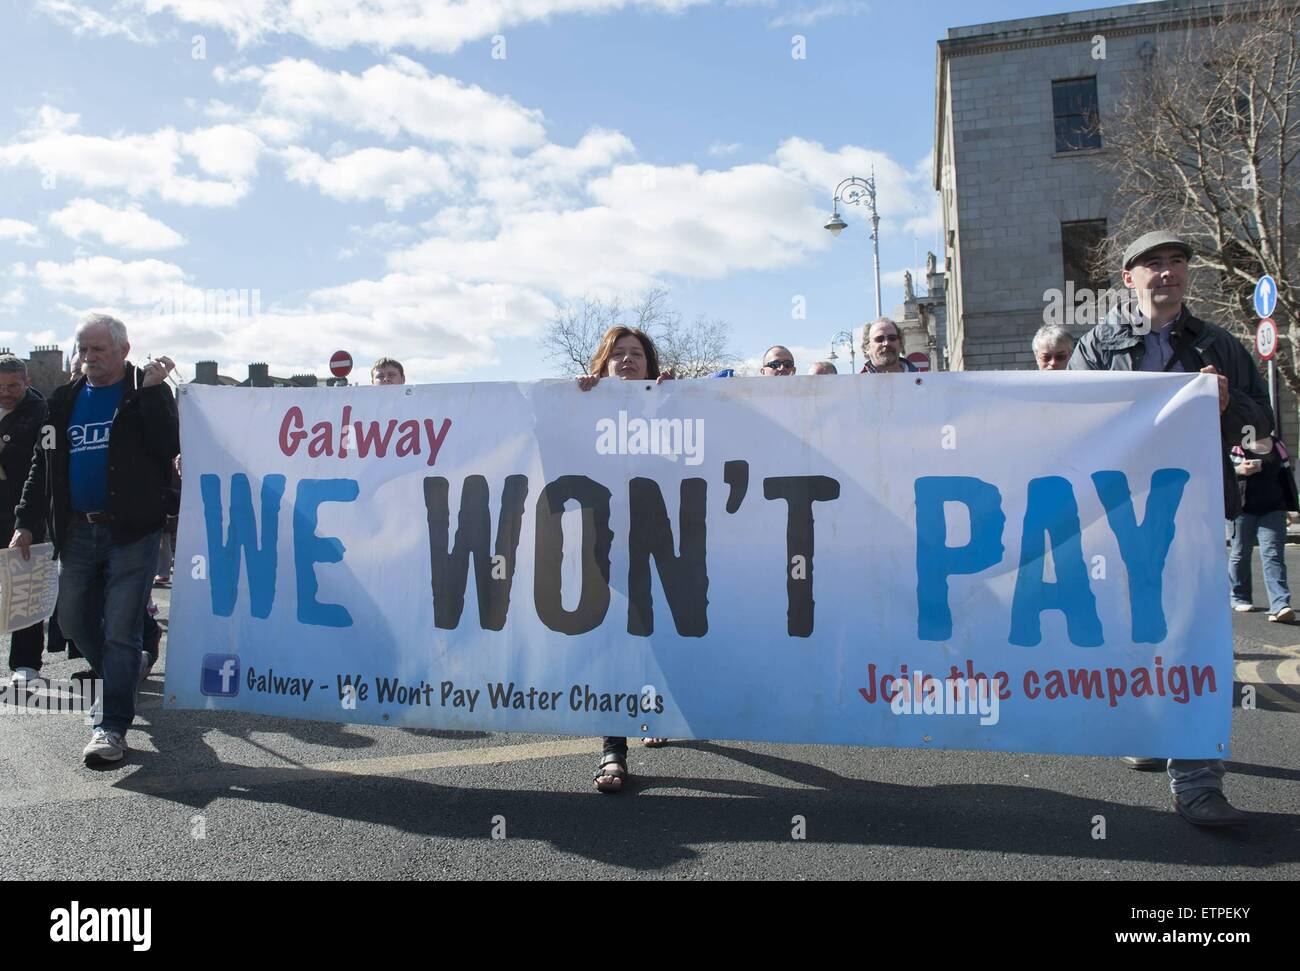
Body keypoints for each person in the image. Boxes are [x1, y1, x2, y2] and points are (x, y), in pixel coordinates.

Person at [1068, 230, 1273, 827]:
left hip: (1198, 519)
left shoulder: (1219, 344)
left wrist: (1228, 409)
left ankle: (1198, 782)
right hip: (1120, 518)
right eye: (1152, 265)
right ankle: (1144, 723)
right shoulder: (1098, 346)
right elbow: (1069, 424)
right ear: (1129, 279)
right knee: (1134, 631)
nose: (1167, 273)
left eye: (1177, 263)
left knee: (1196, 640)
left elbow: (1260, 431)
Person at [11, 313, 179, 766]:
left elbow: (170, 446)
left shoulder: (145, 391)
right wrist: (26, 520)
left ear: (124, 350)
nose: (89, 358)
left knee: (121, 627)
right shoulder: (64, 400)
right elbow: (40, 465)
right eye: (83, 349)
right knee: (69, 619)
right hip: (77, 530)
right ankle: (127, 671)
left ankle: (110, 727)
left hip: (131, 531)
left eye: (98, 349)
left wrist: (154, 392)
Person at [577, 326, 674, 792]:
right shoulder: (582, 406)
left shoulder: (670, 403)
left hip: (663, 538)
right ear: (603, 363)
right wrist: (571, 402)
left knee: (655, 630)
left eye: (636, 354)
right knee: (615, 638)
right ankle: (613, 750)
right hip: (604, 541)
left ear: (650, 366)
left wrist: (677, 401)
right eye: (618, 354)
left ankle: (656, 707)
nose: (628, 360)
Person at [0, 355, 51, 687]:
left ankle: (26, 664)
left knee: (23, 586)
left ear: (26, 381)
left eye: (12, 386)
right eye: (0, 387)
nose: (5, 393)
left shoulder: (41, 412)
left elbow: (36, 462)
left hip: (22, 511)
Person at [1228, 434, 1298, 622]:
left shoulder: (1277, 444)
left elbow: (1285, 476)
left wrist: (1290, 508)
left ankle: (1280, 604)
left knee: (1273, 555)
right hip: (1242, 509)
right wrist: (1239, 469)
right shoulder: (1237, 444)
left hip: (1274, 508)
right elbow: (1222, 472)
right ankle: (1239, 596)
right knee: (1240, 552)